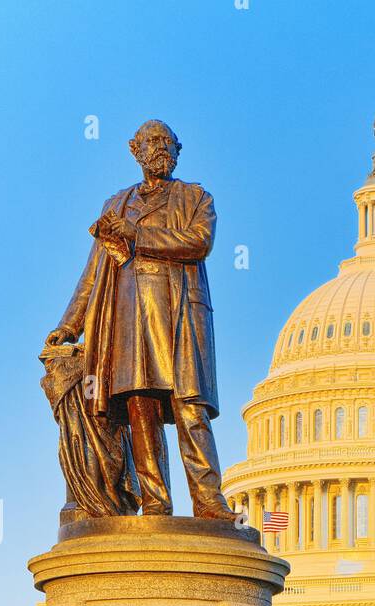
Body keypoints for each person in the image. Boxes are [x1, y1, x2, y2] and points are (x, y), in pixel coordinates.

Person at [45, 119, 232, 521]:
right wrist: (69, 325)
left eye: (168, 143)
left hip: (178, 313)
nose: (161, 148)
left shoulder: (195, 197)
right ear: (136, 149)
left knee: (189, 408)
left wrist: (136, 235)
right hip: (128, 321)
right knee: (140, 409)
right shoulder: (116, 204)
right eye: (153, 142)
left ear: (178, 151)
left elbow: (198, 242)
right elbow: (94, 272)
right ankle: (155, 503)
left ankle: (208, 499)